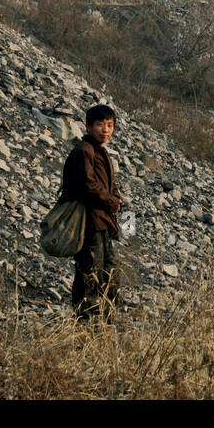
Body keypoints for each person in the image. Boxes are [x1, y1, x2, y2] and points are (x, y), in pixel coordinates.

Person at [60, 103, 124, 322]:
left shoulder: (100, 151)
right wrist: (112, 200)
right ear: (88, 126)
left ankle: (106, 322)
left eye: (109, 125)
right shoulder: (84, 151)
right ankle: (85, 325)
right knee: (89, 275)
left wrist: (116, 198)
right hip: (89, 224)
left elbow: (107, 185)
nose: (105, 130)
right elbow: (88, 187)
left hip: (103, 223)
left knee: (110, 274)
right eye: (100, 125)